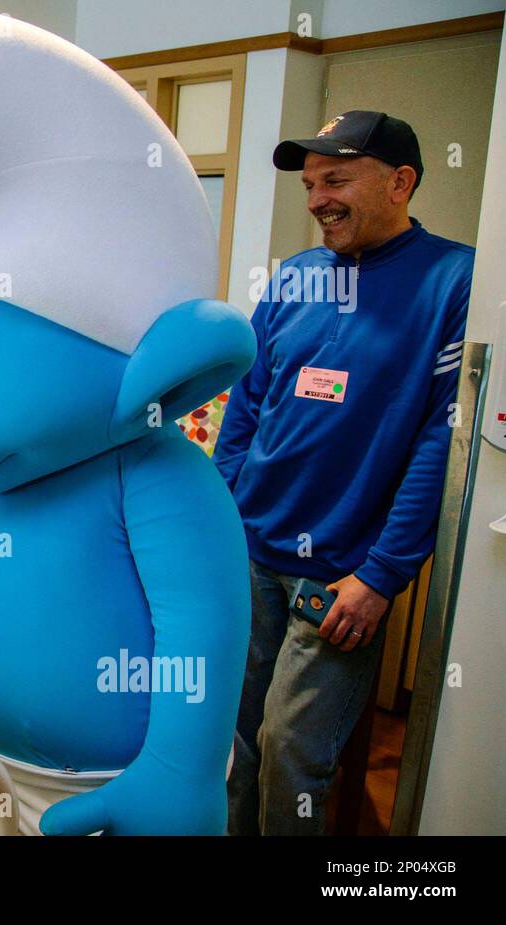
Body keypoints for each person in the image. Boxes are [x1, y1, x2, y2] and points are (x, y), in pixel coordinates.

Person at [214, 111, 475, 835]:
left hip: (340, 573)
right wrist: (223, 508)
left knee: (291, 750)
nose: (317, 198)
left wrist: (384, 573)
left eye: (336, 179)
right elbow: (248, 403)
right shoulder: (295, 278)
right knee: (229, 742)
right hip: (249, 550)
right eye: (309, 184)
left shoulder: (454, 280)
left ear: (400, 182)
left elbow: (440, 438)